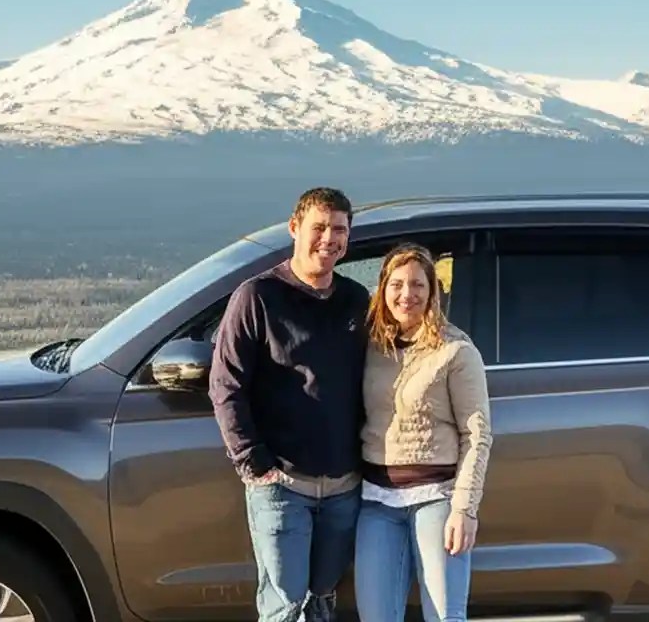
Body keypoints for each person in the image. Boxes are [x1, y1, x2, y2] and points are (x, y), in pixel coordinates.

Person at [209, 186, 372, 622]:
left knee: (323, 600)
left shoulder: (357, 301)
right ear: (295, 227)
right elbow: (226, 386)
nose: (329, 239)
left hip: (344, 485)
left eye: (339, 229)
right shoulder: (257, 297)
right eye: (318, 227)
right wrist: (253, 463)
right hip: (282, 484)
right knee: (285, 606)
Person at [354, 242, 492, 622]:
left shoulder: (455, 351)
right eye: (396, 284)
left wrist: (464, 509)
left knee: (444, 616)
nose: (407, 294)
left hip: (437, 500)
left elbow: (477, 435)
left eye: (418, 285)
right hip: (377, 504)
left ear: (433, 291)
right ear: (382, 289)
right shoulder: (370, 346)